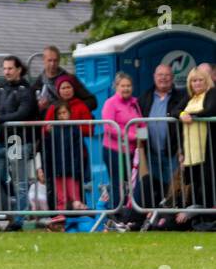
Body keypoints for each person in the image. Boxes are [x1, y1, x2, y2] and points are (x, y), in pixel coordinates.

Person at [0, 56, 36, 231]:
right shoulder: (0, 89)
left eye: (10, 68)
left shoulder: (26, 90)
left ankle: (19, 220)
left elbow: (23, 113)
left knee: (19, 182)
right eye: (4, 68)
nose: (6, 72)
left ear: (19, 69)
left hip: (16, 140)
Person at [136, 63, 186, 211]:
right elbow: (138, 121)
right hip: (151, 153)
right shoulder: (145, 97)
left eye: (167, 75)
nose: (163, 78)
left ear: (172, 78)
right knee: (151, 187)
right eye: (160, 75)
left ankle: (170, 217)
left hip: (173, 153)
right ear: (154, 77)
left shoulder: (181, 97)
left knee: (172, 188)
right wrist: (140, 147)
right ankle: (152, 218)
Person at [101, 72, 143, 213]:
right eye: (123, 86)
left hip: (133, 151)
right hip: (114, 150)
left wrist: (143, 138)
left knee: (133, 183)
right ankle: (116, 213)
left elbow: (141, 123)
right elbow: (109, 127)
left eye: (129, 86)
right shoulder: (110, 103)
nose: (126, 89)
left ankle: (130, 213)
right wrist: (133, 136)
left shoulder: (135, 102)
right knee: (117, 183)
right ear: (116, 87)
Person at [174, 66, 216, 208]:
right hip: (191, 150)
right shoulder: (190, 96)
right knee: (195, 183)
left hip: (209, 148)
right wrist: (181, 115)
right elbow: (175, 110)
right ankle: (198, 218)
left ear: (206, 81)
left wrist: (191, 116)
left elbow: (210, 110)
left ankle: (209, 217)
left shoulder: (212, 93)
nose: (197, 83)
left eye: (200, 80)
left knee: (208, 183)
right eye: (194, 81)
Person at [42, 99, 90, 220]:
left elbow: (79, 150)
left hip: (72, 169)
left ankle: (80, 217)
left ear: (69, 113)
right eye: (59, 114)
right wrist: (47, 135)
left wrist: (78, 168)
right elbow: (48, 149)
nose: (63, 116)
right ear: (56, 116)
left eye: (65, 112)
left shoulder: (75, 129)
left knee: (74, 195)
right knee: (61, 196)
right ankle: (61, 217)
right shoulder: (53, 130)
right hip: (57, 168)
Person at [33, 46, 99, 114]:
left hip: (72, 121)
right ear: (43, 60)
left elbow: (92, 101)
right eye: (49, 60)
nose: (52, 64)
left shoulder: (70, 79)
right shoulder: (38, 83)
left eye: (55, 60)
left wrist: (72, 109)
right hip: (50, 120)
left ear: (59, 61)